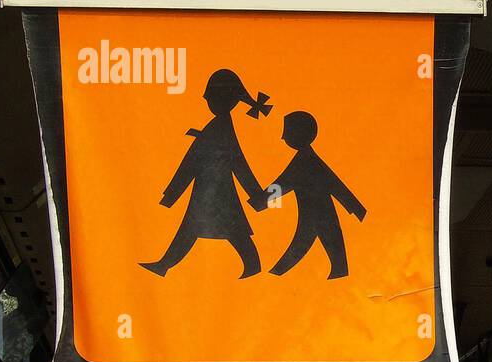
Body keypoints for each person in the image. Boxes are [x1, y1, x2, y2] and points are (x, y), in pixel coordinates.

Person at [141, 69, 272, 279]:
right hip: (211, 191)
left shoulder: (220, 127)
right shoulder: (218, 126)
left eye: (209, 98)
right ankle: (164, 265)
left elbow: (236, 161)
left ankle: (253, 266)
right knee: (198, 229)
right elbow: (220, 156)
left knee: (218, 230)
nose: (207, 102)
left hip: (216, 193)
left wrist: (257, 195)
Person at [268, 111, 366, 279]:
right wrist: (356, 208)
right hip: (323, 212)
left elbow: (282, 184)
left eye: (287, 132)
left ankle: (275, 274)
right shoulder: (309, 157)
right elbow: (336, 185)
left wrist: (262, 202)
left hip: (314, 214)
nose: (283, 138)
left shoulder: (303, 161)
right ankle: (278, 273)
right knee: (331, 251)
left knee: (305, 247)